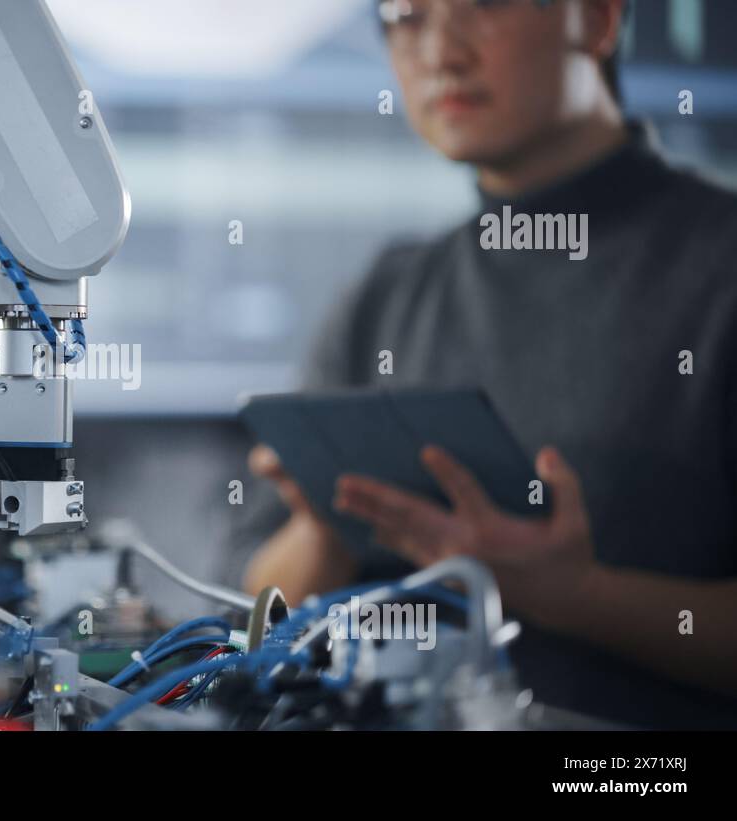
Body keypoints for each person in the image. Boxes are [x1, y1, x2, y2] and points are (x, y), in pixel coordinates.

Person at [235, 0, 737, 728]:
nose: (440, 52)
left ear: (596, 20)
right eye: (405, 15)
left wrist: (574, 594)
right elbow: (254, 614)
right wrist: (326, 528)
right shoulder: (387, 295)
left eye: (484, 5)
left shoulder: (718, 271)